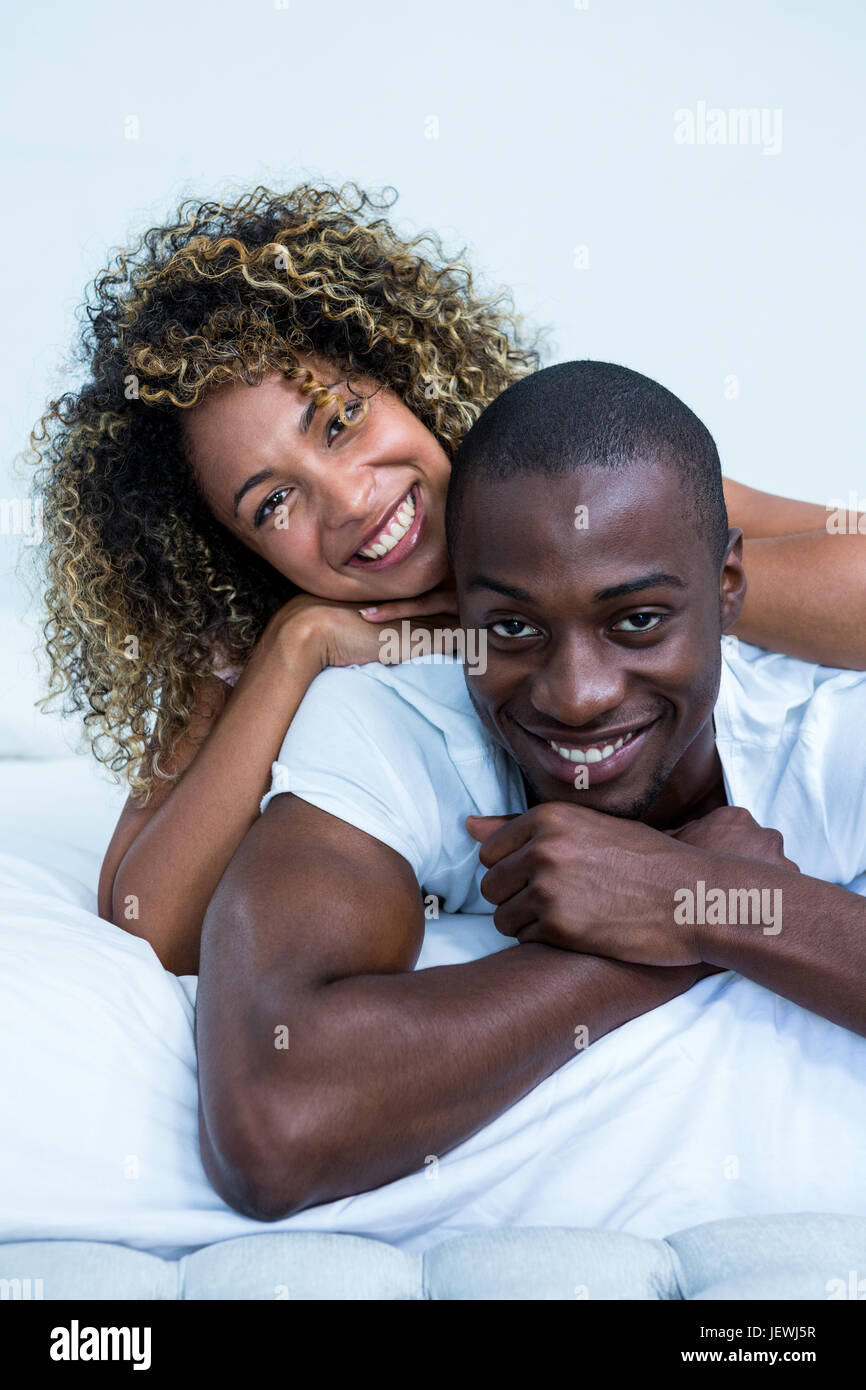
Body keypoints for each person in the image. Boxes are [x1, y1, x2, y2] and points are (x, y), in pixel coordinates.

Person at [29, 185, 866, 975]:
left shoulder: (567, 481)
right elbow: (143, 916)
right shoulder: (251, 634)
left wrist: (591, 592)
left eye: (343, 420)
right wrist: (297, 647)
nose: (353, 498)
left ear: (406, 375)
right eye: (275, 500)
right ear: (231, 547)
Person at [194, 361, 866, 1224]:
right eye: (513, 627)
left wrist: (696, 900)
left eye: (637, 621)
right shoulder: (393, 716)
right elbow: (276, 1126)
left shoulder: (826, 714)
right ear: (451, 611)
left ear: (729, 588)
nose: (577, 695)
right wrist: (688, 918)